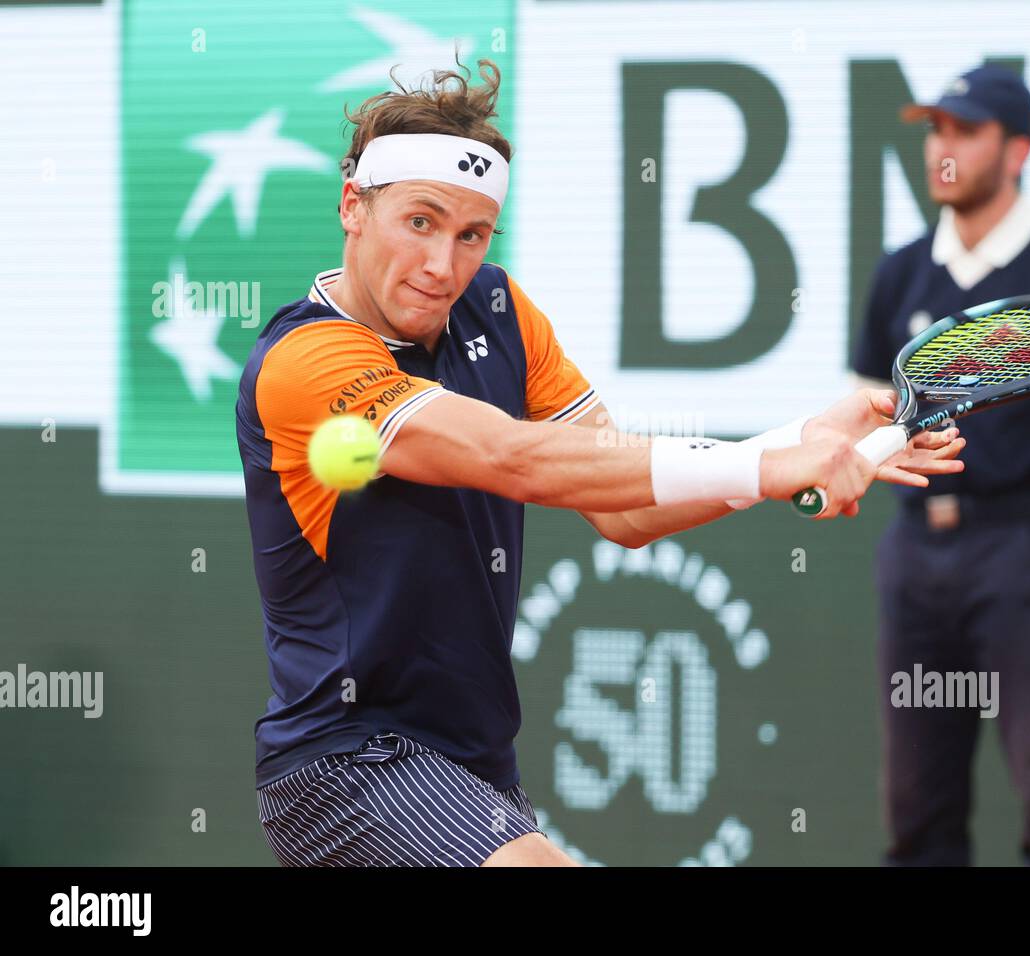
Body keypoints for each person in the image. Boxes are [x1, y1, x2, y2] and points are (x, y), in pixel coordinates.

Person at [236, 58, 964, 867]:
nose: (444, 264)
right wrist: (769, 469)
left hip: (477, 766)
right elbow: (511, 457)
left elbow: (626, 509)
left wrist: (796, 439)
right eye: (421, 222)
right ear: (353, 208)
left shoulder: (501, 311)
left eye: (472, 234)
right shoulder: (305, 360)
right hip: (346, 759)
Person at [851, 65, 1030, 866]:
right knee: (919, 817)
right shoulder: (898, 273)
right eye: (934, 130)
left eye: (965, 131)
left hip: (1023, 556)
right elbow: (864, 426)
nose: (942, 149)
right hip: (913, 556)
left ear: (1019, 150)